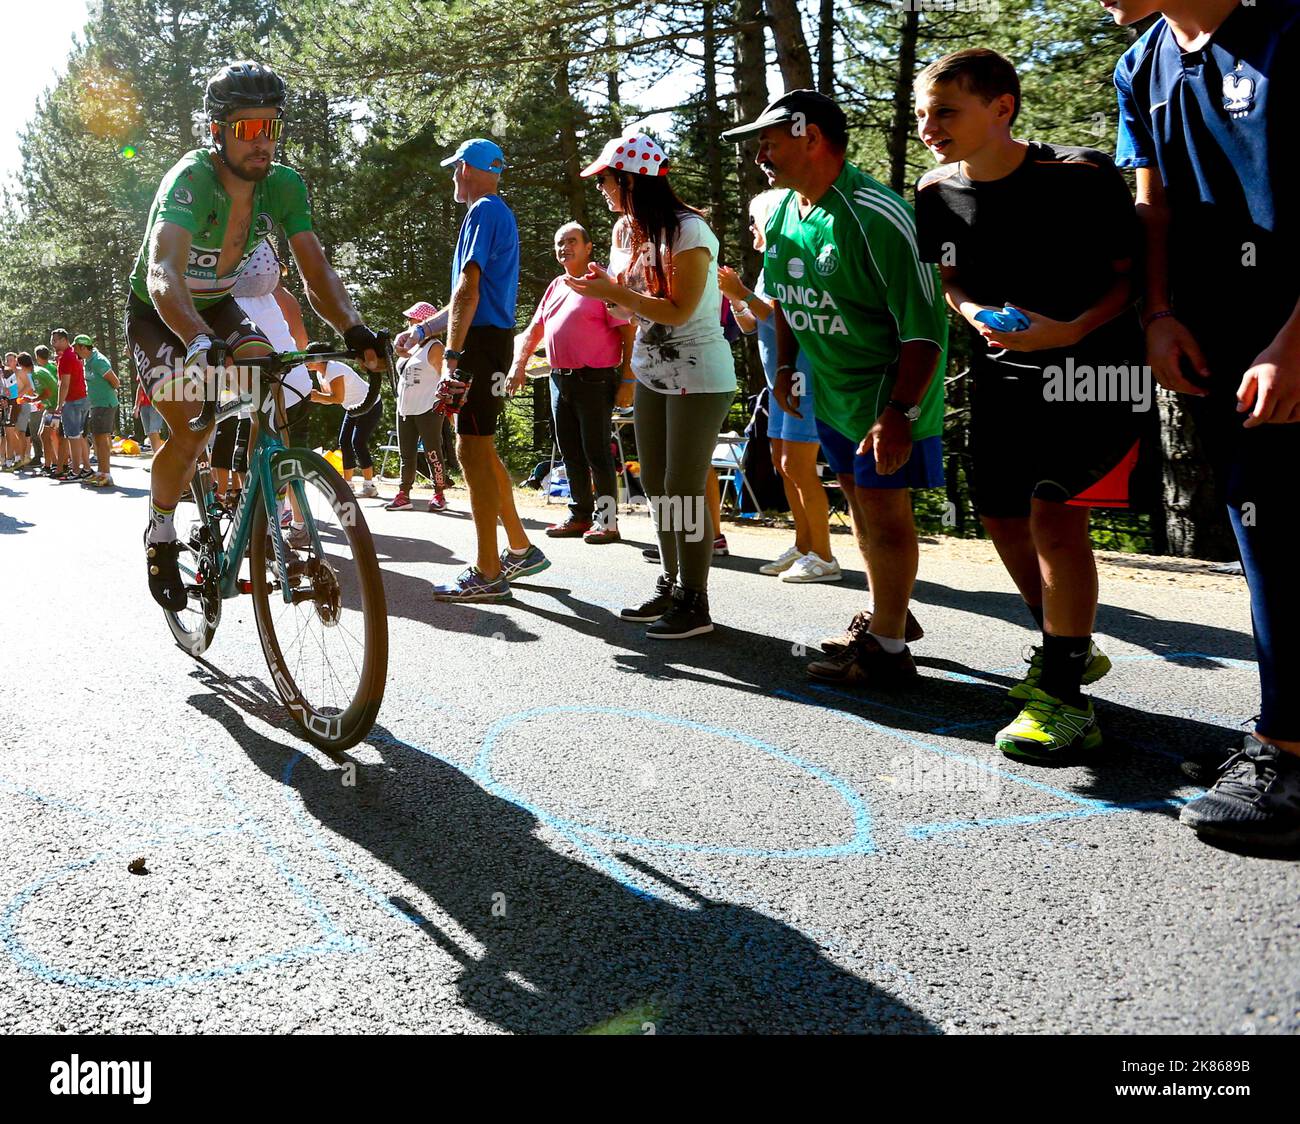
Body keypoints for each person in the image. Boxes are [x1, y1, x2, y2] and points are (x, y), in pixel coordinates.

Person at [1103, 0, 1300, 847]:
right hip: (1223, 341)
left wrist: (1298, 341)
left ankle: (1286, 755)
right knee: (1268, 534)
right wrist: (1155, 312)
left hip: (1289, 332)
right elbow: (1154, 205)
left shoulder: (1287, 30)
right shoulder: (1142, 63)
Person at [914, 48, 1147, 761]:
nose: (929, 126)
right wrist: (978, 312)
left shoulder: (1080, 177)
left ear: (1002, 109)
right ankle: (1065, 649)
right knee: (1001, 518)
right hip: (1002, 375)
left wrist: (1071, 329)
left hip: (1093, 373)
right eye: (922, 113)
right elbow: (952, 282)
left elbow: (1136, 279)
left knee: (1054, 517)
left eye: (946, 111)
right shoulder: (933, 191)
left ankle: (1069, 702)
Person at [124, 60, 383, 611]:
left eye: (271, 127)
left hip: (218, 306)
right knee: (191, 423)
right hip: (161, 314)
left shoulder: (282, 185)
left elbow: (316, 271)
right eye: (246, 129)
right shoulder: (189, 181)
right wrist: (194, 336)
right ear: (215, 129)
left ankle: (259, 501)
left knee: (270, 371)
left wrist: (354, 328)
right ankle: (162, 536)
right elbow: (163, 272)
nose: (261, 142)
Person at [724, 90, 947, 684]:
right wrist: (788, 370)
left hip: (886, 391)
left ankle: (890, 651)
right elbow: (787, 303)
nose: (761, 155)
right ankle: (886, 619)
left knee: (884, 513)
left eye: (769, 141)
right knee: (860, 511)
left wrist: (899, 410)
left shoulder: (878, 215)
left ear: (812, 136)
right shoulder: (782, 215)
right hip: (831, 390)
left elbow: (925, 329)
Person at [568, 133, 737, 639]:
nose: (601, 188)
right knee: (658, 485)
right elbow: (628, 308)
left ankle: (695, 600)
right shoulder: (625, 232)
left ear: (631, 178)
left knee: (683, 487)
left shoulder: (691, 231)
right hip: (651, 371)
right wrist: (605, 290)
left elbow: (681, 309)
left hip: (699, 372)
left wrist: (614, 291)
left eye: (606, 179)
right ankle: (670, 583)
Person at [405, 137, 548, 602]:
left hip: (479, 346)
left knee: (470, 452)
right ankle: (521, 548)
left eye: (454, 169)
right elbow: (464, 299)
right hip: (490, 342)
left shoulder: (483, 210)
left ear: (466, 168)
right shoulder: (496, 211)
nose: (452, 177)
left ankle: (488, 570)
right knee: (481, 450)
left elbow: (468, 289)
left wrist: (450, 355)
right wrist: (424, 330)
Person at [719, 191, 837, 582]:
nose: (751, 227)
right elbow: (755, 323)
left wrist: (743, 294)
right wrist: (737, 300)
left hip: (803, 374)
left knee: (800, 466)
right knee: (782, 464)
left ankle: (824, 555)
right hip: (778, 383)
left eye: (755, 220)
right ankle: (804, 545)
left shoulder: (792, 259)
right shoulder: (770, 263)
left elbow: (782, 315)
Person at [509, 221, 635, 544]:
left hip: (595, 379)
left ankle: (607, 522)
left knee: (596, 451)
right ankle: (580, 515)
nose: (564, 247)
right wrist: (518, 365)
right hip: (559, 380)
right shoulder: (556, 286)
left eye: (571, 241)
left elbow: (627, 331)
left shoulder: (602, 282)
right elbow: (534, 329)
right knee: (570, 452)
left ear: (589, 247)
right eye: (559, 243)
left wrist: (628, 380)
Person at [389, 300, 450, 512]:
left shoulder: (435, 347)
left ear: (424, 321)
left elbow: (445, 374)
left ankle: (439, 493)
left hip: (428, 407)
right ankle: (403, 494)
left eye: (412, 318)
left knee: (433, 452)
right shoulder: (412, 347)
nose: (408, 322)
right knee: (406, 454)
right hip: (405, 408)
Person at [305, 344, 380, 496]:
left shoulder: (334, 369)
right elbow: (330, 400)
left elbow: (338, 398)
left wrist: (316, 396)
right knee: (344, 441)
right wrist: (314, 398)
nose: (305, 361)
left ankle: (369, 486)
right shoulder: (321, 373)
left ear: (319, 358)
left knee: (357, 442)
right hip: (352, 407)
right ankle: (348, 485)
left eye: (308, 357)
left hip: (370, 405)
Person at [74, 334, 120, 487]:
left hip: (105, 404)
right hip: (96, 404)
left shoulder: (98, 361)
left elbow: (115, 382)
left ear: (82, 347)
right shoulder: (88, 361)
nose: (74, 350)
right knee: (97, 439)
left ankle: (106, 474)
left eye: (76, 347)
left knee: (102, 439)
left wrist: (107, 395)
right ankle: (100, 473)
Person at [50, 329, 91, 480]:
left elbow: (64, 384)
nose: (52, 344)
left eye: (54, 341)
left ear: (63, 340)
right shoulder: (75, 354)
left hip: (72, 401)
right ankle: (86, 468)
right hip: (83, 398)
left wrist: (59, 405)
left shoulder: (66, 357)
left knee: (73, 436)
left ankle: (75, 471)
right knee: (80, 436)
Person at [15, 353, 45, 470]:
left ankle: (38, 457)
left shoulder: (30, 374)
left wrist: (21, 394)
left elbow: (32, 389)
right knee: (33, 433)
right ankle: (37, 456)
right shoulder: (28, 373)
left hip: (36, 406)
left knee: (36, 433)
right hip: (32, 405)